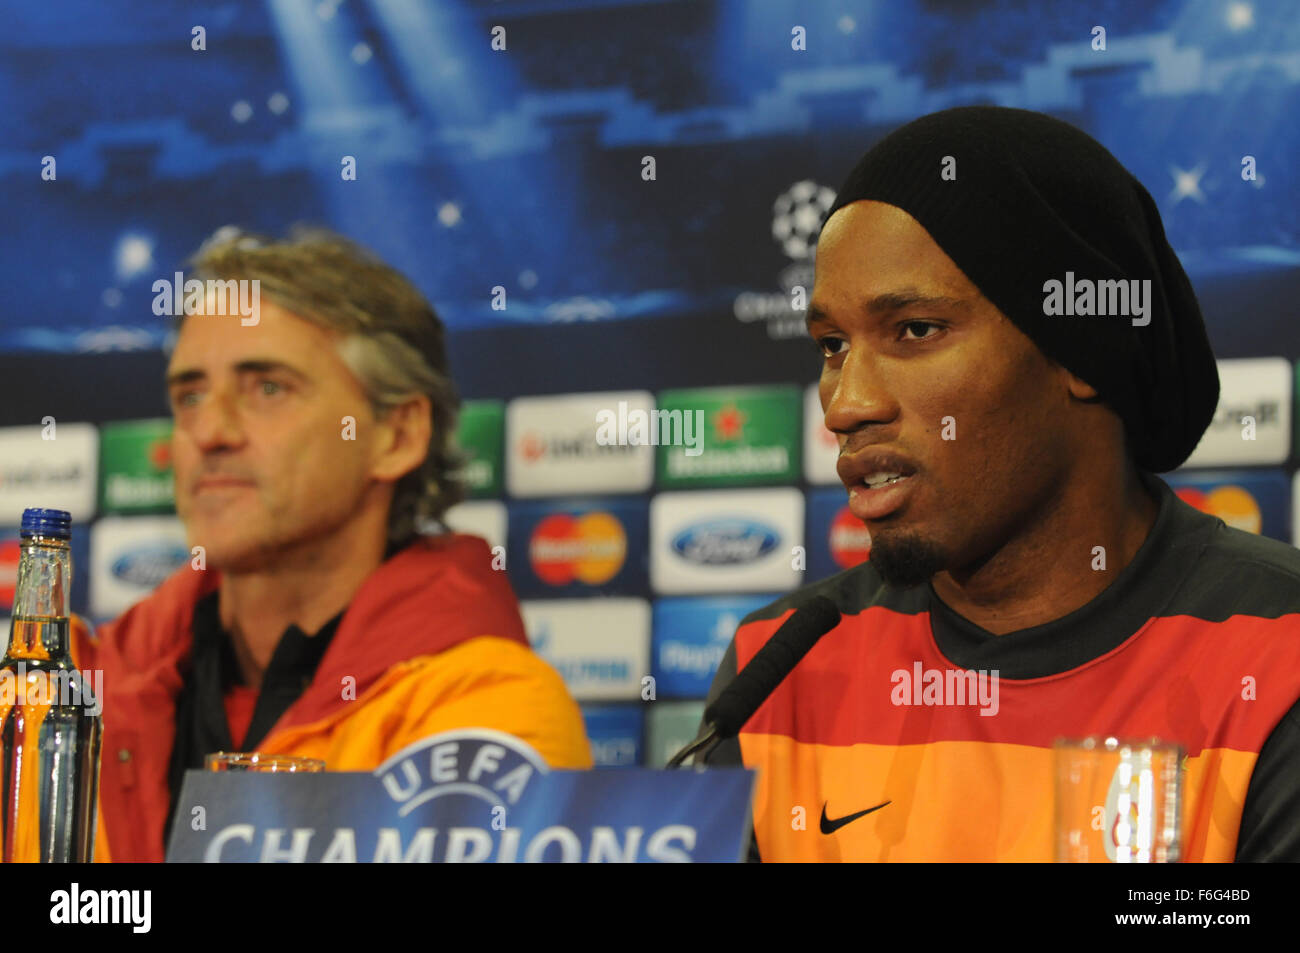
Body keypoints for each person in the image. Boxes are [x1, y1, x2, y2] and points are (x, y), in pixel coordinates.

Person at [699, 106, 1300, 862]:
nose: (847, 403)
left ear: (1083, 350)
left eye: (915, 330)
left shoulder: (1280, 660)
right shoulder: (774, 673)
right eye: (831, 345)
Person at [73, 226, 591, 863]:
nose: (210, 432)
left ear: (396, 435)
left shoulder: (490, 711)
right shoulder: (75, 691)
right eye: (190, 396)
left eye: (268, 388)